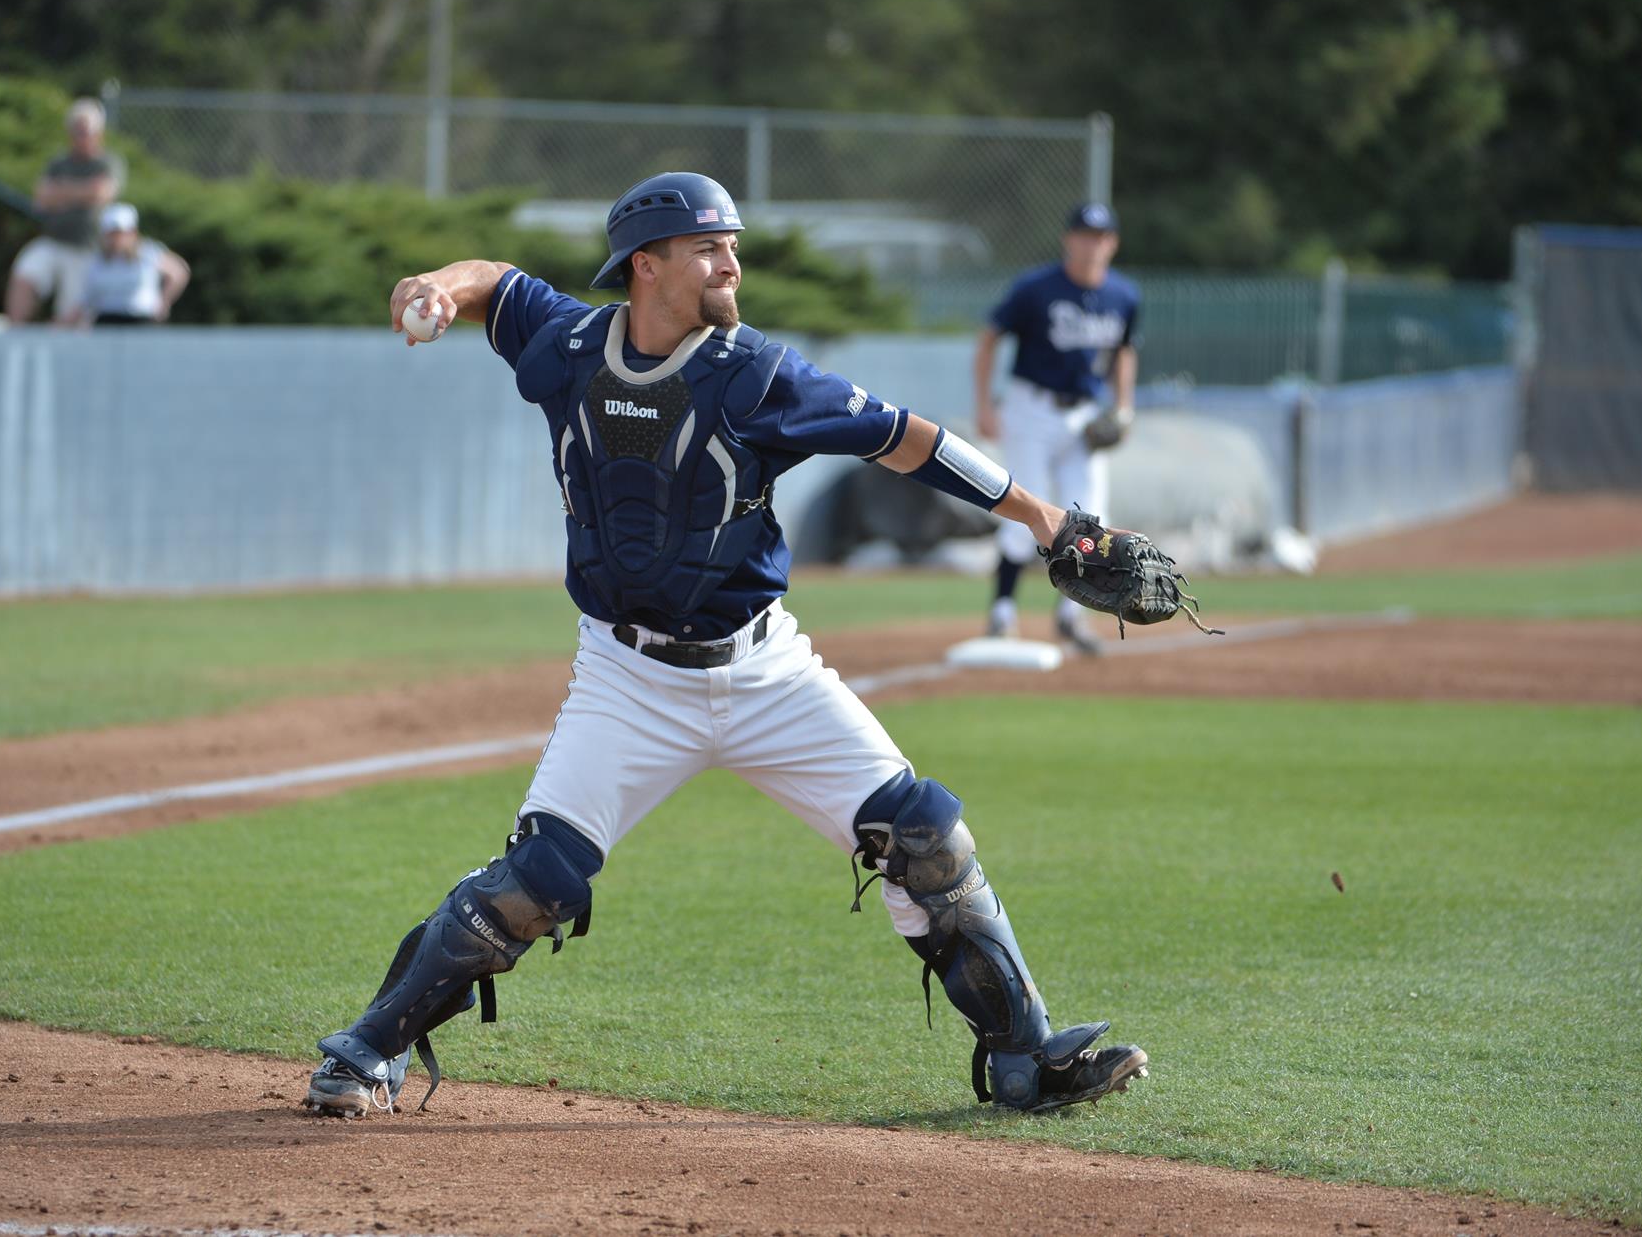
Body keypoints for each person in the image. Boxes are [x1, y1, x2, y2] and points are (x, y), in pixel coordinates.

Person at [303, 173, 1149, 1120]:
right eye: (709, 247)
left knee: (926, 839)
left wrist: (1041, 516)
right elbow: (494, 279)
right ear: (646, 264)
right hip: (627, 677)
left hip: (765, 670)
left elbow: (906, 437)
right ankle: (369, 1047)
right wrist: (435, 284)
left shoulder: (757, 374)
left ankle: (1026, 1056)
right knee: (534, 883)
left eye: (734, 246)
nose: (731, 264)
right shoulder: (570, 343)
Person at [973, 203, 1139, 655]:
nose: (1092, 244)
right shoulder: (1037, 288)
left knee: (1090, 517)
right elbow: (989, 339)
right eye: (1084, 235)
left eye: (1101, 236)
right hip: (1031, 409)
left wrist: (1124, 407)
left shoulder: (1123, 295)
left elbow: (1124, 350)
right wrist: (984, 404)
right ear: (1068, 239)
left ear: (1112, 244)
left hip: (1084, 415)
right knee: (1024, 508)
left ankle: (1071, 616)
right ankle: (1002, 611)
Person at [4, 97, 126, 324]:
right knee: (25, 273)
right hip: (53, 241)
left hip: (85, 249)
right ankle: (16, 329)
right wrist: (83, 192)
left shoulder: (107, 163)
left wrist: (62, 192)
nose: (81, 137)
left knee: (71, 315)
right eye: (77, 131)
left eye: (86, 131)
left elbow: (101, 193)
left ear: (99, 133)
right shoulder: (58, 163)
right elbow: (42, 199)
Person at [77, 204, 190, 325]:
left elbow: (178, 273)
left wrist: (164, 302)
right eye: (112, 233)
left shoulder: (148, 253)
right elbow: (87, 297)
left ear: (133, 232)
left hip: (141, 320)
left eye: (121, 233)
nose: (117, 238)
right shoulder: (97, 260)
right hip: (106, 319)